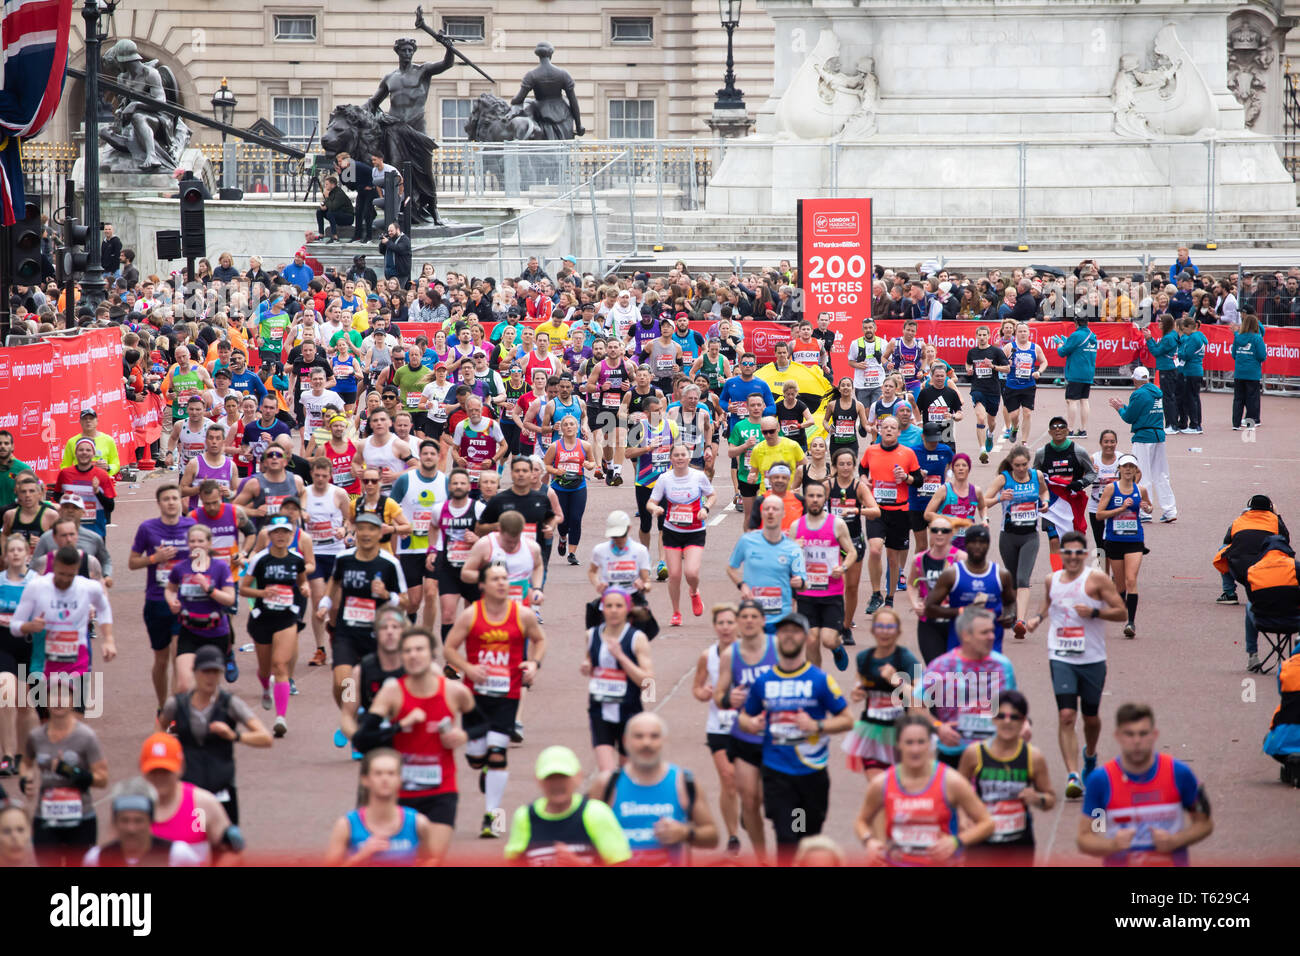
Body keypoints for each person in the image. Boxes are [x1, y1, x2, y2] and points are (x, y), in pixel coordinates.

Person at [737, 611, 853, 863]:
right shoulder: (764, 682)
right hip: (778, 774)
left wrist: (817, 725)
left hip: (810, 774)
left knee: (808, 840)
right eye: (783, 632)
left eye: (795, 631)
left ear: (807, 639)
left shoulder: (820, 680)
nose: (788, 636)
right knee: (788, 839)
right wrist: (752, 723)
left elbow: (847, 719)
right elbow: (744, 717)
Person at [442, 563, 546, 838]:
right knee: (476, 759)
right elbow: (449, 648)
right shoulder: (471, 615)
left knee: (498, 753)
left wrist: (533, 664)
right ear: (482, 586)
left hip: (507, 695)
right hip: (475, 697)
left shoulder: (522, 614)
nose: (501, 583)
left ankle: (491, 816)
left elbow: (539, 640)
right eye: (495, 579)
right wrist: (467, 668)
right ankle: (483, 765)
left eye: (504, 578)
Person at [353, 628, 474, 861]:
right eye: (408, 650)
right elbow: (355, 725)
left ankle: (495, 814)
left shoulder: (445, 684)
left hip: (439, 788)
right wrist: (349, 724)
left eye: (420, 649)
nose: (414, 654)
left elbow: (478, 721)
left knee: (431, 858)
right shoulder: (360, 671)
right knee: (343, 682)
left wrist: (463, 735)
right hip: (394, 783)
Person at [1025, 529, 1127, 799]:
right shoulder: (1052, 579)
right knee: (1067, 715)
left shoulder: (1097, 581)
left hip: (1092, 657)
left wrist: (1095, 612)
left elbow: (1121, 612)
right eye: (1066, 552)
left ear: (1084, 554)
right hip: (1061, 655)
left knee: (1090, 717)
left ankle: (1090, 756)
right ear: (1061, 554)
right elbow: (1048, 603)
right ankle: (1073, 774)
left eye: (1076, 553)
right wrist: (1036, 618)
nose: (1071, 557)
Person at [1077, 703, 1213, 865]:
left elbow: (1204, 823)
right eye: (1129, 734)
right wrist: (1112, 844)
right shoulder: (1101, 780)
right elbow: (1085, 837)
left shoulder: (1179, 774)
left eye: (1143, 734)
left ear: (1154, 735)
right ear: (1117, 736)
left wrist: (1175, 841)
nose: (1136, 741)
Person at [856, 712, 994, 867]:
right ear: (898, 744)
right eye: (909, 743)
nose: (915, 749)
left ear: (930, 743)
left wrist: (957, 841)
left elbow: (987, 823)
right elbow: (862, 821)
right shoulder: (883, 783)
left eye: (921, 742)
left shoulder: (951, 781)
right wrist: (869, 841)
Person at [158, 645, 272, 825]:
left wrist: (234, 736)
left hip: (222, 789)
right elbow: (158, 733)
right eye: (206, 671)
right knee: (195, 839)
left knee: (226, 844)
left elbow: (265, 737)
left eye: (215, 672)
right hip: (190, 789)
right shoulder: (177, 705)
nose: (210, 677)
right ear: (195, 672)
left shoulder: (230, 704)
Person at [589, 712, 718, 865]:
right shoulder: (606, 784)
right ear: (625, 741)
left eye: (654, 736)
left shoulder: (683, 782)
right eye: (639, 736)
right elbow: (581, 835)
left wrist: (685, 832)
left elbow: (712, 836)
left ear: (664, 741)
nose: (646, 743)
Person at [321, 512, 408, 741]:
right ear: (356, 532)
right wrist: (324, 603)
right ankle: (350, 717)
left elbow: (406, 601)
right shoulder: (344, 558)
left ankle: (360, 725)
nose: (366, 534)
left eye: (371, 529)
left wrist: (387, 594)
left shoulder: (390, 564)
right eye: (362, 529)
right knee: (343, 682)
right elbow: (335, 582)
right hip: (346, 631)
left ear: (380, 533)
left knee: (372, 687)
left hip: (377, 635)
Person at [957, 689, 1055, 865]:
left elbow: (1050, 799)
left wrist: (1038, 798)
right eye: (1001, 716)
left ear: (1023, 721)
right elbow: (956, 793)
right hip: (982, 841)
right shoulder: (974, 753)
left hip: (1018, 843)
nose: (1007, 721)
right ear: (993, 719)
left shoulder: (1033, 757)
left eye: (1014, 717)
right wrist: (963, 819)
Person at [19, 675, 108, 865]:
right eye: (52, 695)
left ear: (74, 700)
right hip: (45, 817)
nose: (58, 701)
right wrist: (25, 779)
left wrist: (69, 771)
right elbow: (26, 763)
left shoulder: (86, 737)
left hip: (81, 818)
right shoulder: (35, 737)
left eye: (64, 695)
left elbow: (102, 778)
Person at [919, 606, 1018, 769]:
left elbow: (1014, 706)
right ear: (966, 635)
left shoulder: (1003, 665)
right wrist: (938, 727)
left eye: (992, 631)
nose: (992, 637)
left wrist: (1022, 724)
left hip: (993, 752)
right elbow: (915, 704)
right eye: (984, 632)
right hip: (954, 752)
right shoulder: (941, 666)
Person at [503, 745, 632, 865]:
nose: (557, 784)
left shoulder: (596, 813)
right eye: (550, 778)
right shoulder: (525, 817)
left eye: (563, 778)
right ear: (538, 780)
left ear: (578, 777)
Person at [241, 515, 309, 736]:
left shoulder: (297, 559)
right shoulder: (259, 559)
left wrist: (305, 588)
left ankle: (281, 718)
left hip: (286, 618)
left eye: (285, 532)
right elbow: (244, 589)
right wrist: (262, 592)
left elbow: (301, 581)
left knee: (280, 666)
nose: (281, 536)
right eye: (276, 532)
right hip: (262, 618)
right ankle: (265, 689)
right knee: (265, 669)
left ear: (291, 535)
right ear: (269, 535)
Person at [11, 545, 115, 683]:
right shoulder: (36, 587)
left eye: (70, 575)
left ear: (77, 570)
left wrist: (108, 639)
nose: (65, 580)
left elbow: (104, 608)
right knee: (42, 704)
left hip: (76, 663)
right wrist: (30, 626)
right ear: (54, 567)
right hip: (42, 665)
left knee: (62, 702)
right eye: (61, 574)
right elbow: (15, 626)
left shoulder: (88, 587)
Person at [324, 748, 442, 864]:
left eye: (391, 773)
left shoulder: (418, 823)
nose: (384, 779)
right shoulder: (346, 825)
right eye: (378, 773)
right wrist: (361, 856)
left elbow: (432, 860)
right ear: (365, 779)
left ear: (400, 779)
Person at [583, 587, 654, 772]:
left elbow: (648, 681)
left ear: (628, 609)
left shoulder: (637, 639)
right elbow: (591, 662)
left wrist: (621, 657)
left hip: (629, 711)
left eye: (619, 606)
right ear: (602, 609)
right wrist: (587, 666)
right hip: (599, 710)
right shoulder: (591, 636)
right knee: (606, 773)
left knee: (627, 772)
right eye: (609, 606)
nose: (614, 610)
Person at [842, 607, 919, 778]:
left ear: (898, 631)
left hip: (900, 733)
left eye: (890, 627)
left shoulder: (905, 658)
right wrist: (858, 692)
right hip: (872, 731)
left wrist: (897, 681)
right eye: (880, 627)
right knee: (879, 786)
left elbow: (923, 699)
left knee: (898, 787)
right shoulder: (864, 658)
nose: (885, 632)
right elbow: (860, 684)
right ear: (873, 630)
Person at [141, 732, 241, 863]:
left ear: (181, 768)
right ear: (142, 769)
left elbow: (231, 853)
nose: (159, 777)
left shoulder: (203, 804)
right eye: (153, 771)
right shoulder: (131, 807)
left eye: (166, 771)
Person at [982, 444, 1051, 631]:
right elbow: (983, 501)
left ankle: (1020, 621)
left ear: (1029, 463)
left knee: (1022, 579)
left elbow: (1044, 491)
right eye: (1017, 465)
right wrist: (999, 498)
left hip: (1030, 536)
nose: (1021, 469)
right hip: (1008, 537)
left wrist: (1045, 502)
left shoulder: (1036, 476)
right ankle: (1011, 612)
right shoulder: (1003, 479)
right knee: (1012, 579)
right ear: (1011, 465)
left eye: (1024, 465)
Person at [860, 416, 924, 614]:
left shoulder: (908, 453)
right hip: (876, 510)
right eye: (885, 427)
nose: (888, 430)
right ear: (879, 430)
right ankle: (875, 593)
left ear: (898, 432)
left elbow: (919, 480)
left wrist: (906, 477)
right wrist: (863, 478)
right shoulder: (871, 451)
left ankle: (890, 597)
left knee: (893, 558)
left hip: (900, 511)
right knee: (875, 550)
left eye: (892, 428)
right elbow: (862, 468)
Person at [645, 444, 715, 626]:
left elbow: (712, 495)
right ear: (671, 458)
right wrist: (656, 508)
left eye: (683, 454)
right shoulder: (664, 479)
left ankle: (694, 591)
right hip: (672, 531)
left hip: (695, 531)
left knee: (691, 572)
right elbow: (650, 502)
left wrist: (705, 508)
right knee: (674, 575)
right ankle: (676, 612)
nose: (680, 458)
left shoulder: (698, 476)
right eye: (676, 455)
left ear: (689, 457)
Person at [791, 481, 857, 671]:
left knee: (828, 640)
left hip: (831, 592)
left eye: (819, 496)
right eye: (811, 496)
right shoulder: (797, 526)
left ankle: (836, 648)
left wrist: (843, 568)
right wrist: (795, 548)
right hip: (806, 592)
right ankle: (816, 680)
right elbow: (788, 557)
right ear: (806, 498)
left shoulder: (837, 524)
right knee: (811, 640)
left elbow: (851, 552)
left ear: (825, 499)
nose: (815, 500)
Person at [693, 603, 743, 854]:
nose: (725, 628)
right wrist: (705, 693)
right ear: (714, 627)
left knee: (751, 784)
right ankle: (733, 835)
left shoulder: (751, 653)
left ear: (738, 625)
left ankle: (749, 812)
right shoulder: (707, 656)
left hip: (750, 726)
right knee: (728, 780)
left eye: (729, 623)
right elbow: (697, 688)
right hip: (719, 725)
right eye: (720, 623)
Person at [164, 524, 237, 694]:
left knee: (209, 687)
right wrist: (171, 601)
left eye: (201, 541)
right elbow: (170, 588)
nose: (196, 544)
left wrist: (209, 588)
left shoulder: (220, 568)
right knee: (183, 685)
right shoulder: (180, 568)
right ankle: (184, 718)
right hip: (189, 632)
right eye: (192, 541)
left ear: (209, 543)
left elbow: (229, 599)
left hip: (216, 632)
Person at [388, 440, 447, 627]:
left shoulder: (445, 481)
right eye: (425, 453)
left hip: (435, 547)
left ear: (438, 457)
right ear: (419, 457)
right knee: (413, 601)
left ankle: (426, 637)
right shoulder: (406, 480)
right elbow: (390, 509)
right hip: (409, 547)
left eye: (432, 454)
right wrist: (398, 531)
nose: (429, 457)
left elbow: (452, 511)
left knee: (431, 593)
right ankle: (410, 618)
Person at [82, 778, 204, 867]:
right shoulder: (96, 858)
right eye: (124, 820)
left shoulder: (178, 854)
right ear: (115, 821)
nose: (131, 829)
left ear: (151, 819)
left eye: (138, 820)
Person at [727, 495, 807, 631]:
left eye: (775, 509)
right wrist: (743, 586)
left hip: (781, 617)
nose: (770, 512)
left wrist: (800, 583)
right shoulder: (747, 541)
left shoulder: (793, 548)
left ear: (783, 514)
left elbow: (803, 584)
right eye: (766, 509)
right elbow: (731, 568)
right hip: (753, 617)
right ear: (761, 513)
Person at [1108, 367, 1176, 523]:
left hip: (1144, 437)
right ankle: (1170, 509)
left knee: (1142, 473)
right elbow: (1139, 411)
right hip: (1158, 435)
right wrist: (1125, 407)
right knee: (1161, 475)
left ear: (1135, 379)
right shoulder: (1156, 392)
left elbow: (1130, 417)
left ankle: (1145, 511)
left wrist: (1120, 409)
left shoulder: (1138, 394)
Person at [1095, 455, 1152, 638]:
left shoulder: (1141, 489)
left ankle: (1131, 623)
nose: (1128, 470)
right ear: (1119, 469)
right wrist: (1119, 510)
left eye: (1132, 467)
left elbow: (1149, 507)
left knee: (1131, 580)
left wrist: (1147, 508)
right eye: (1125, 466)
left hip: (1134, 540)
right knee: (1120, 585)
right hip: (1114, 540)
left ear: (1136, 470)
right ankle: (1121, 610)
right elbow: (1099, 515)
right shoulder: (1111, 489)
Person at [543, 413, 593, 566]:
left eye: (572, 424)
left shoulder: (585, 446)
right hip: (559, 488)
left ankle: (572, 553)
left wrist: (589, 465)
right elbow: (545, 465)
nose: (569, 427)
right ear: (561, 429)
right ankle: (563, 537)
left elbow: (592, 462)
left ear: (577, 427)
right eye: (566, 425)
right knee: (563, 520)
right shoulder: (555, 446)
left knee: (576, 519)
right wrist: (556, 471)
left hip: (579, 487)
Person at [963, 325, 1008, 462]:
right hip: (977, 389)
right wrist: (969, 369)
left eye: (984, 335)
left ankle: (990, 433)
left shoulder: (996, 352)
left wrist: (993, 366)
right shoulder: (972, 352)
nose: (982, 338)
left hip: (993, 390)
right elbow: (968, 363)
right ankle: (982, 450)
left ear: (989, 336)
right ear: (976, 336)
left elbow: (1007, 368)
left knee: (991, 421)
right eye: (979, 335)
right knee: (981, 418)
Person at [1000, 322, 1048, 441]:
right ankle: (1014, 428)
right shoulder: (1009, 347)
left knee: (1027, 413)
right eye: (1020, 331)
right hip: (1012, 385)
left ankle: (1024, 441)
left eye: (1025, 331)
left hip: (1028, 385)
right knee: (1014, 415)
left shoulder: (1035, 348)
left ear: (1029, 333)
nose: (1022, 334)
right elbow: (1000, 362)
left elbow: (1044, 362)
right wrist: (1007, 364)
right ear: (1016, 333)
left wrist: (1039, 372)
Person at [1058, 314, 1098, 437]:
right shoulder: (1092, 335)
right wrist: (1067, 342)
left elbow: (1062, 352)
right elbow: (1077, 348)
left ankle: (1069, 429)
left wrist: (1060, 344)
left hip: (1076, 372)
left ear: (1076, 323)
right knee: (1084, 400)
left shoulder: (1076, 335)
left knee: (1071, 401)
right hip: (1088, 372)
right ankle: (1083, 429)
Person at [1230, 310, 1267, 430]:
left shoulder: (1238, 337)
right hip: (1252, 372)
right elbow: (1262, 356)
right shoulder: (1257, 338)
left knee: (1238, 399)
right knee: (1252, 399)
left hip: (1239, 372)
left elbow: (1234, 354)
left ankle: (1236, 424)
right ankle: (1250, 423)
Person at [914, 363, 963, 451]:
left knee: (949, 463)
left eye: (942, 376)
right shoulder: (925, 393)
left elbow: (960, 414)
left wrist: (952, 416)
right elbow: (916, 412)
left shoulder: (951, 393)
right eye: (937, 376)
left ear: (946, 377)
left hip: (946, 436)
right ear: (932, 376)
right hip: (929, 435)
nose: (940, 378)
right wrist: (919, 425)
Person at [1087, 429, 1121, 552]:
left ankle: (1117, 569)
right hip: (1096, 507)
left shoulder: (1121, 459)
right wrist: (1090, 473)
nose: (1109, 445)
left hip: (1116, 507)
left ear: (1116, 443)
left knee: (1116, 543)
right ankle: (1102, 570)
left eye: (1112, 442)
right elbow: (1082, 479)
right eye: (1106, 442)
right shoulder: (1093, 459)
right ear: (1100, 443)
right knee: (1100, 545)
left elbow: (1137, 473)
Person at [1174, 316, 1207, 434]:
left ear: (1189, 327)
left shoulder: (1193, 338)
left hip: (1192, 371)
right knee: (1194, 398)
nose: (1184, 332)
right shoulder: (1198, 337)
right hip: (1195, 370)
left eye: (1184, 329)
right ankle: (1196, 424)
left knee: (1192, 399)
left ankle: (1194, 425)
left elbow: (1186, 354)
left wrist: (1180, 353)